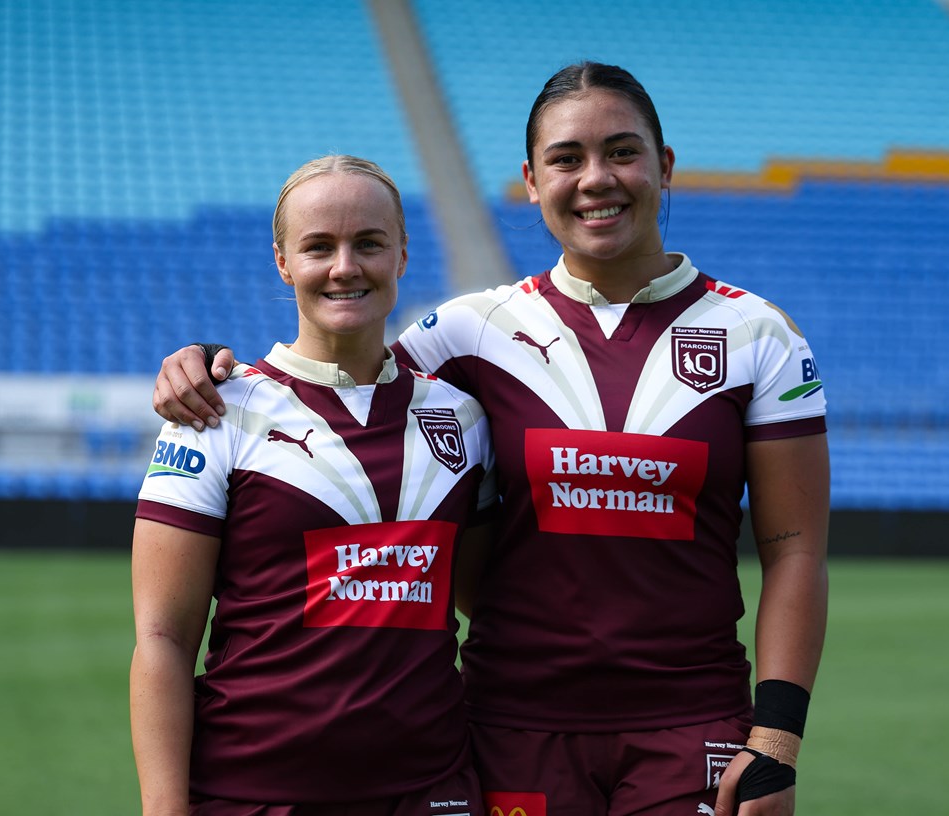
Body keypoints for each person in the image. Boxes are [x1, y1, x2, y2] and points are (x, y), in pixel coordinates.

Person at [152, 63, 829, 816]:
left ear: (664, 167)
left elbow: (795, 550)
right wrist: (207, 365)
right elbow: (336, 377)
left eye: (622, 152)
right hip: (511, 727)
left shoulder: (757, 335)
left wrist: (776, 739)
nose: (596, 178)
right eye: (566, 159)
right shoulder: (467, 332)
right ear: (532, 181)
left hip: (692, 725)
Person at [130, 155, 496, 816]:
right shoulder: (214, 411)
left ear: (403, 255)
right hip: (255, 794)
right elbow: (162, 638)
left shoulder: (462, 418)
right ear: (282, 262)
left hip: (432, 794)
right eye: (318, 247)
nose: (344, 267)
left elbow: (484, 600)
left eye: (369, 243)